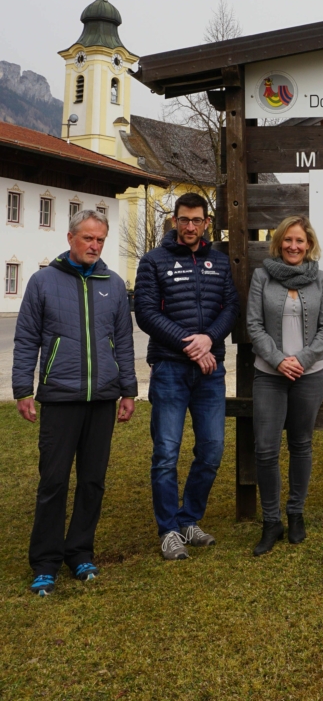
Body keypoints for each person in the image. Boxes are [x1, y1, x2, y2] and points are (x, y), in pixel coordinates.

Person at [12, 210, 137, 596]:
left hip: (102, 398)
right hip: (60, 397)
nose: (94, 246)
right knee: (53, 481)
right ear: (70, 238)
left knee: (92, 481)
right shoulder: (43, 282)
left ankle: (80, 552)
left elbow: (124, 340)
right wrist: (22, 389)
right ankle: (45, 562)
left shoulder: (113, 284)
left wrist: (128, 390)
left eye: (100, 240)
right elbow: (26, 337)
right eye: (88, 238)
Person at [134, 192, 239, 559]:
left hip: (210, 371)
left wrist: (209, 339)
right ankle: (168, 530)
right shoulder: (153, 261)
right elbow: (146, 313)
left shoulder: (220, 262)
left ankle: (189, 519)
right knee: (166, 453)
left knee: (212, 450)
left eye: (197, 220)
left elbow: (231, 308)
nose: (190, 226)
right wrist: (190, 345)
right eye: (184, 219)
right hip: (170, 369)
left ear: (206, 222)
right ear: (174, 221)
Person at [246, 216, 323, 555]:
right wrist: (279, 360)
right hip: (269, 374)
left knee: (301, 444)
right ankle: (271, 522)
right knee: (266, 449)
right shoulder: (261, 277)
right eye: (288, 240)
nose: (293, 246)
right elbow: (254, 325)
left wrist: (303, 360)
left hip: (309, 375)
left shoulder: (321, 279)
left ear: (308, 244)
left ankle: (296, 513)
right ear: (278, 242)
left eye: (300, 241)